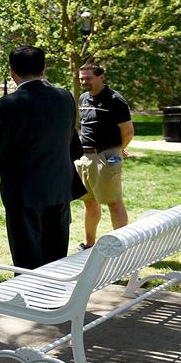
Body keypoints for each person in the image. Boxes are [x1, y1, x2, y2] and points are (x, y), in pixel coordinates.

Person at [0, 45, 77, 271]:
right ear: (44, 69)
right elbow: (72, 140)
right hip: (59, 184)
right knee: (56, 252)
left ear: (12, 72)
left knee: (27, 256)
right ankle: (56, 298)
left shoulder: (6, 104)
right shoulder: (65, 97)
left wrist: (6, 170)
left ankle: (30, 300)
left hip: (22, 189)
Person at [75, 62, 134, 249]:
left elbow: (128, 131)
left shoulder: (114, 99)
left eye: (88, 78)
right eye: (81, 78)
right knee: (89, 202)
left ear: (101, 77)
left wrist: (118, 150)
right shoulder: (83, 98)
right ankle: (88, 243)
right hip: (84, 157)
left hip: (106, 156)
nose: (84, 81)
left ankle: (121, 247)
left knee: (114, 203)